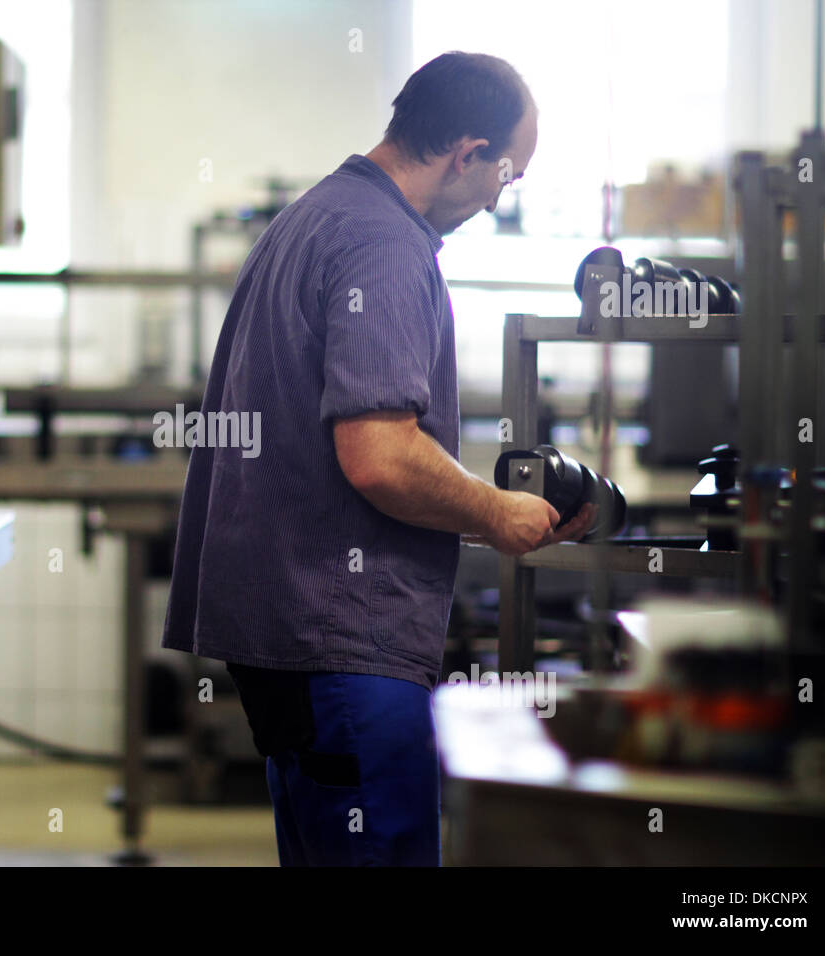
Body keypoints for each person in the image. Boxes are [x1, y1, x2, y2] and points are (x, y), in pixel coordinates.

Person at [161, 51, 595, 866]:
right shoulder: (386, 244)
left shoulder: (312, 216)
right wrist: (496, 512)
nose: (499, 197)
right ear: (467, 152)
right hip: (342, 642)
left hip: (285, 639)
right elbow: (381, 457)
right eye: (506, 174)